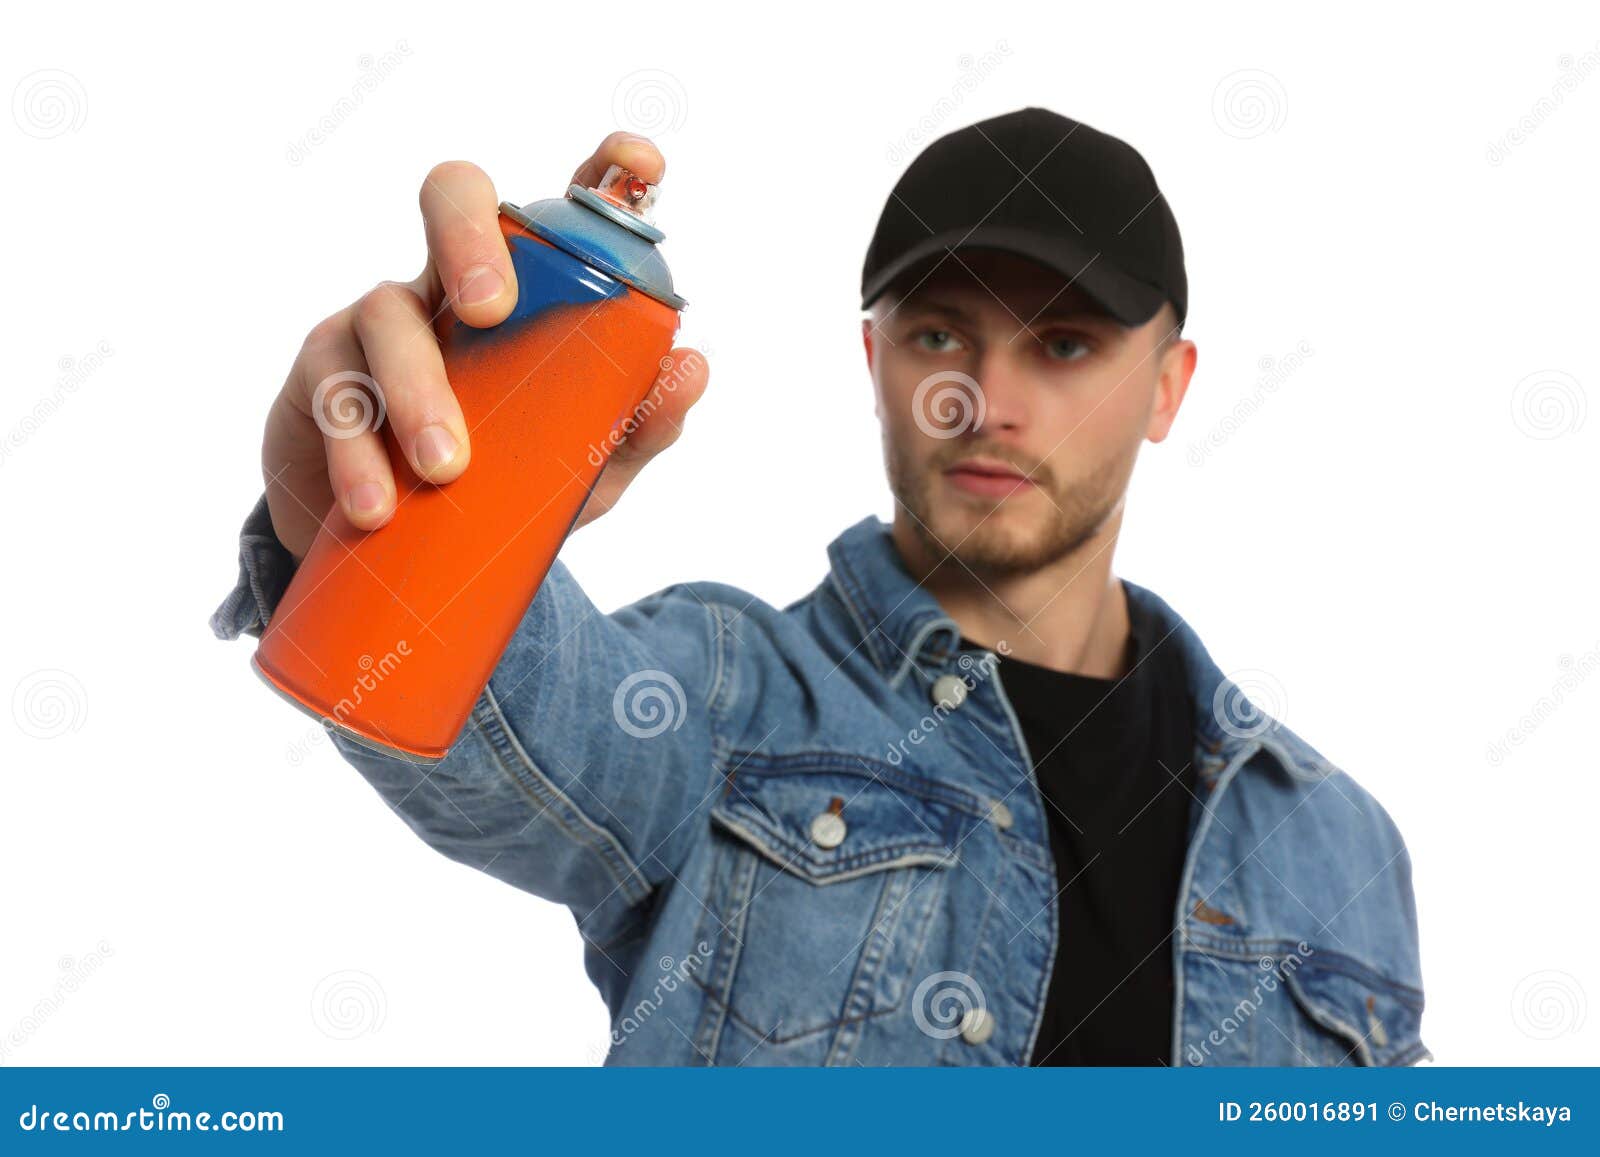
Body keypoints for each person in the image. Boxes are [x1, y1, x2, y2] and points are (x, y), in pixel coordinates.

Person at [213, 108, 1426, 1066]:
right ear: (873, 356)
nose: (986, 400)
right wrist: (370, 526)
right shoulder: (715, 699)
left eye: (1064, 344)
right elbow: (493, 711)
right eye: (939, 333)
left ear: (1168, 386)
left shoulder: (1336, 842)